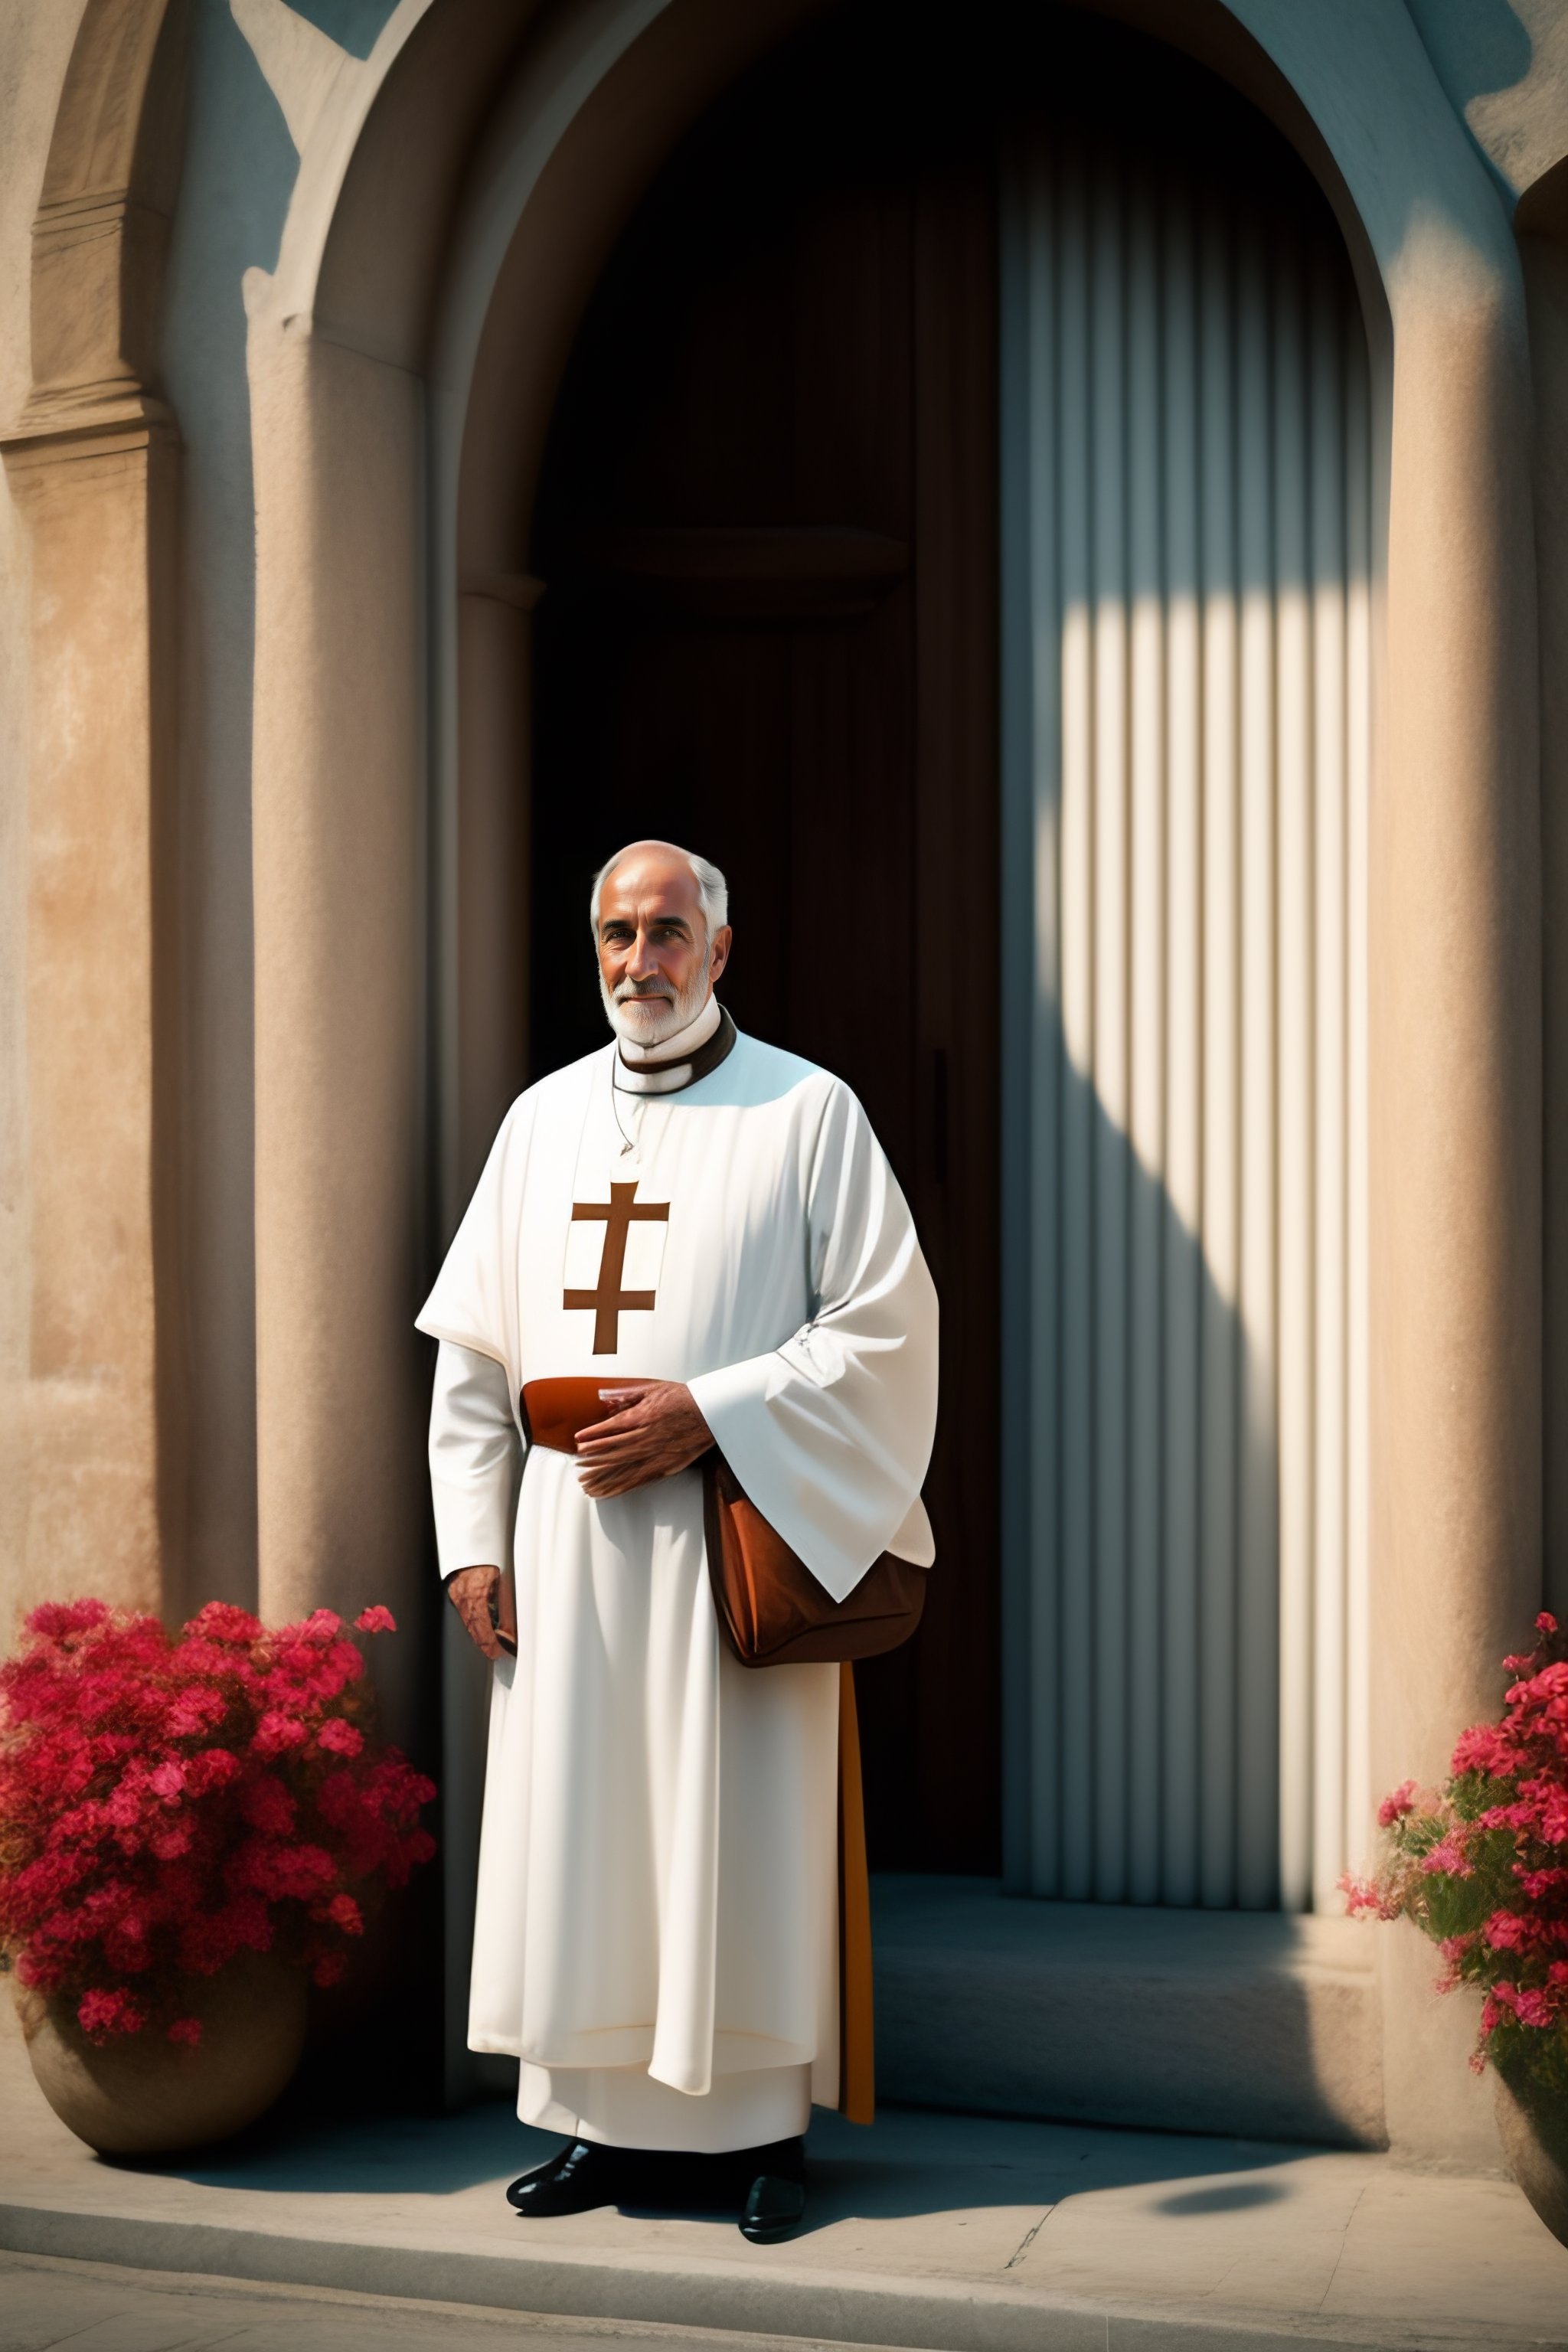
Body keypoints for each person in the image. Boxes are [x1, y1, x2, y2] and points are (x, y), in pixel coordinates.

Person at [418, 839, 937, 2240]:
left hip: (730, 1535)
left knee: (737, 1830)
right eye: (613, 936)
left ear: (719, 949)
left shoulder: (808, 1111)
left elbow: (887, 1331)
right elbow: (472, 1361)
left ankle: (759, 2138)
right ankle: (592, 2128)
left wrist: (711, 1410)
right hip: (567, 1545)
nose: (636, 963)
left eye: (663, 934)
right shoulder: (538, 1122)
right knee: (582, 1830)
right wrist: (474, 1541)